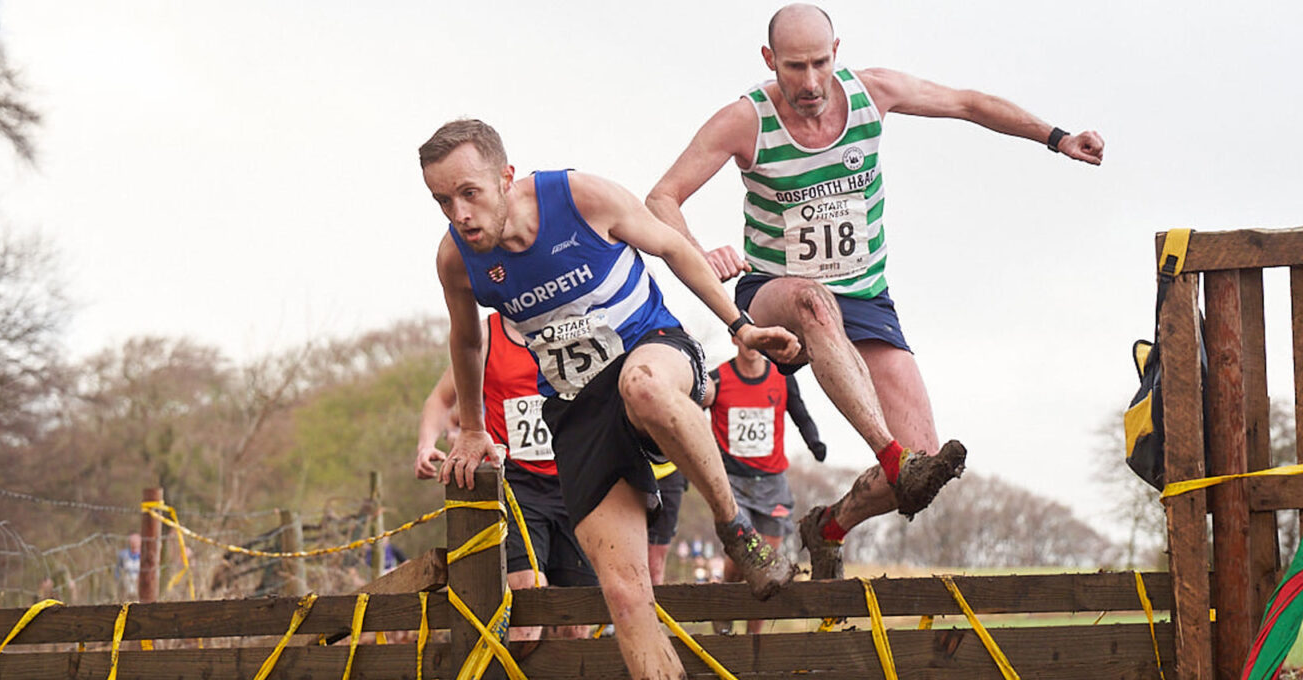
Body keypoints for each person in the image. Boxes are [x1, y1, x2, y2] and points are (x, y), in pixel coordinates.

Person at [645, 3, 1104, 580]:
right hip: (776, 294)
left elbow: (967, 103)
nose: (810, 83)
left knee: (926, 467)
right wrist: (702, 255)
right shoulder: (746, 120)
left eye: (819, 63)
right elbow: (662, 198)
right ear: (769, 61)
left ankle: (830, 525)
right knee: (816, 303)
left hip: (864, 296)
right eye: (794, 68)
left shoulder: (873, 93)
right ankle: (891, 455)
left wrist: (1056, 137)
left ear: (837, 51)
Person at [422, 118, 799, 680]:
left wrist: (739, 326)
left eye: (469, 194)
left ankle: (735, 527)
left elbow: (671, 245)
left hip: (656, 354)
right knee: (624, 597)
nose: (459, 215)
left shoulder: (578, 197)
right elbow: (467, 338)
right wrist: (473, 428)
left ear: (506, 177)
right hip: (578, 409)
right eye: (442, 201)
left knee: (639, 385)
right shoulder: (457, 259)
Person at [416, 311, 596, 642]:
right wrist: (426, 445)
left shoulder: (579, 320)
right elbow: (442, 399)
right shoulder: (485, 334)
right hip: (517, 485)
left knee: (577, 622)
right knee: (526, 603)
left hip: (576, 479)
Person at [703, 335, 825, 634]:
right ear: (735, 337)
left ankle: (754, 640)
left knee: (766, 566)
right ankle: (724, 610)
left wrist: (814, 442)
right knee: (741, 557)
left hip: (772, 484)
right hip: (733, 481)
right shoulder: (717, 379)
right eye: (748, 336)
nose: (754, 344)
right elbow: (691, 418)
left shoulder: (780, 377)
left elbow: (800, 414)